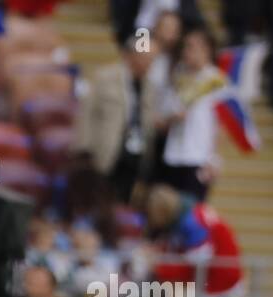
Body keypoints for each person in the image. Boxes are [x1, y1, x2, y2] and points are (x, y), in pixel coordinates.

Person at [74, 39, 158, 203]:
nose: (150, 64)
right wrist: (83, 148)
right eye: (146, 58)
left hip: (133, 157)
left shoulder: (149, 87)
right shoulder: (105, 77)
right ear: (132, 56)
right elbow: (86, 114)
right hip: (106, 153)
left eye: (153, 59)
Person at [152, 26, 224, 201]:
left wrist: (214, 159)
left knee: (190, 212)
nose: (186, 51)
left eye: (191, 47)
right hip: (172, 154)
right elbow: (162, 115)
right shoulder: (177, 76)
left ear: (206, 49)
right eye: (184, 46)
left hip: (197, 157)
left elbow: (220, 124)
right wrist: (170, 119)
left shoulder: (216, 81)